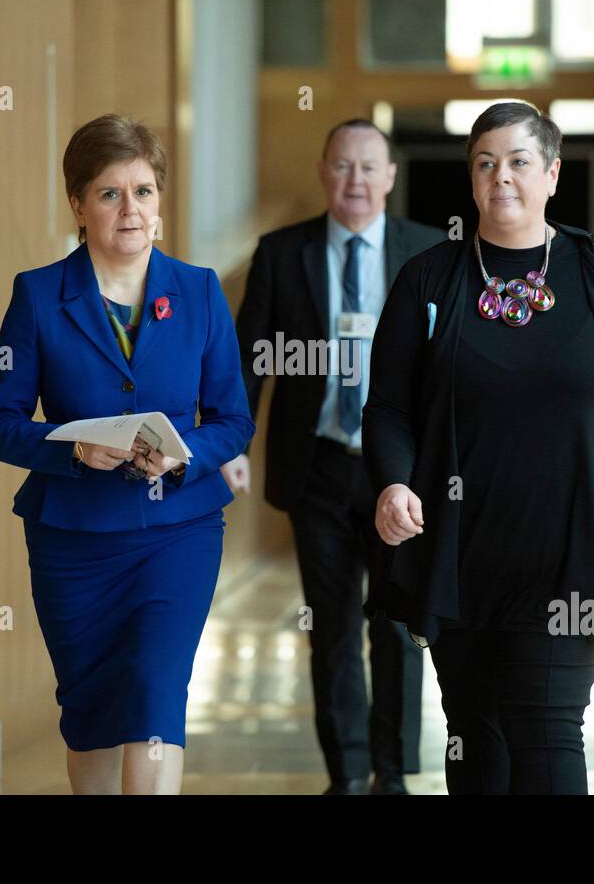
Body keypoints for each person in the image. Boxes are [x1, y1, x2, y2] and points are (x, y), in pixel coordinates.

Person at [362, 101, 594, 794]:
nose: (502, 178)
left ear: (552, 174)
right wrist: (393, 482)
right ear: (470, 179)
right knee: (474, 736)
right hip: (460, 553)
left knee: (548, 729)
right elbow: (389, 408)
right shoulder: (429, 280)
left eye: (520, 162)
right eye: (486, 164)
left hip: (572, 553)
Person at [0, 114, 254, 795]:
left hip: (179, 531)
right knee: (94, 714)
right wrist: (72, 448)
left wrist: (185, 452)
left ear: (161, 200)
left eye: (145, 191)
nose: (131, 210)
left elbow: (233, 420)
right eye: (110, 193)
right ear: (78, 204)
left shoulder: (200, 292)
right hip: (74, 540)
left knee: (157, 697)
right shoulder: (39, 297)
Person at [225, 119, 446, 794]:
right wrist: (233, 442)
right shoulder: (281, 253)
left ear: (390, 177)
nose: (355, 180)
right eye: (342, 167)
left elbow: (453, 368)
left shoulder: (428, 252)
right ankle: (348, 774)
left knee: (398, 625)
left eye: (368, 167)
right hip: (317, 465)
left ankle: (392, 772)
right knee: (334, 629)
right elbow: (247, 359)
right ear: (323, 172)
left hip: (401, 473)